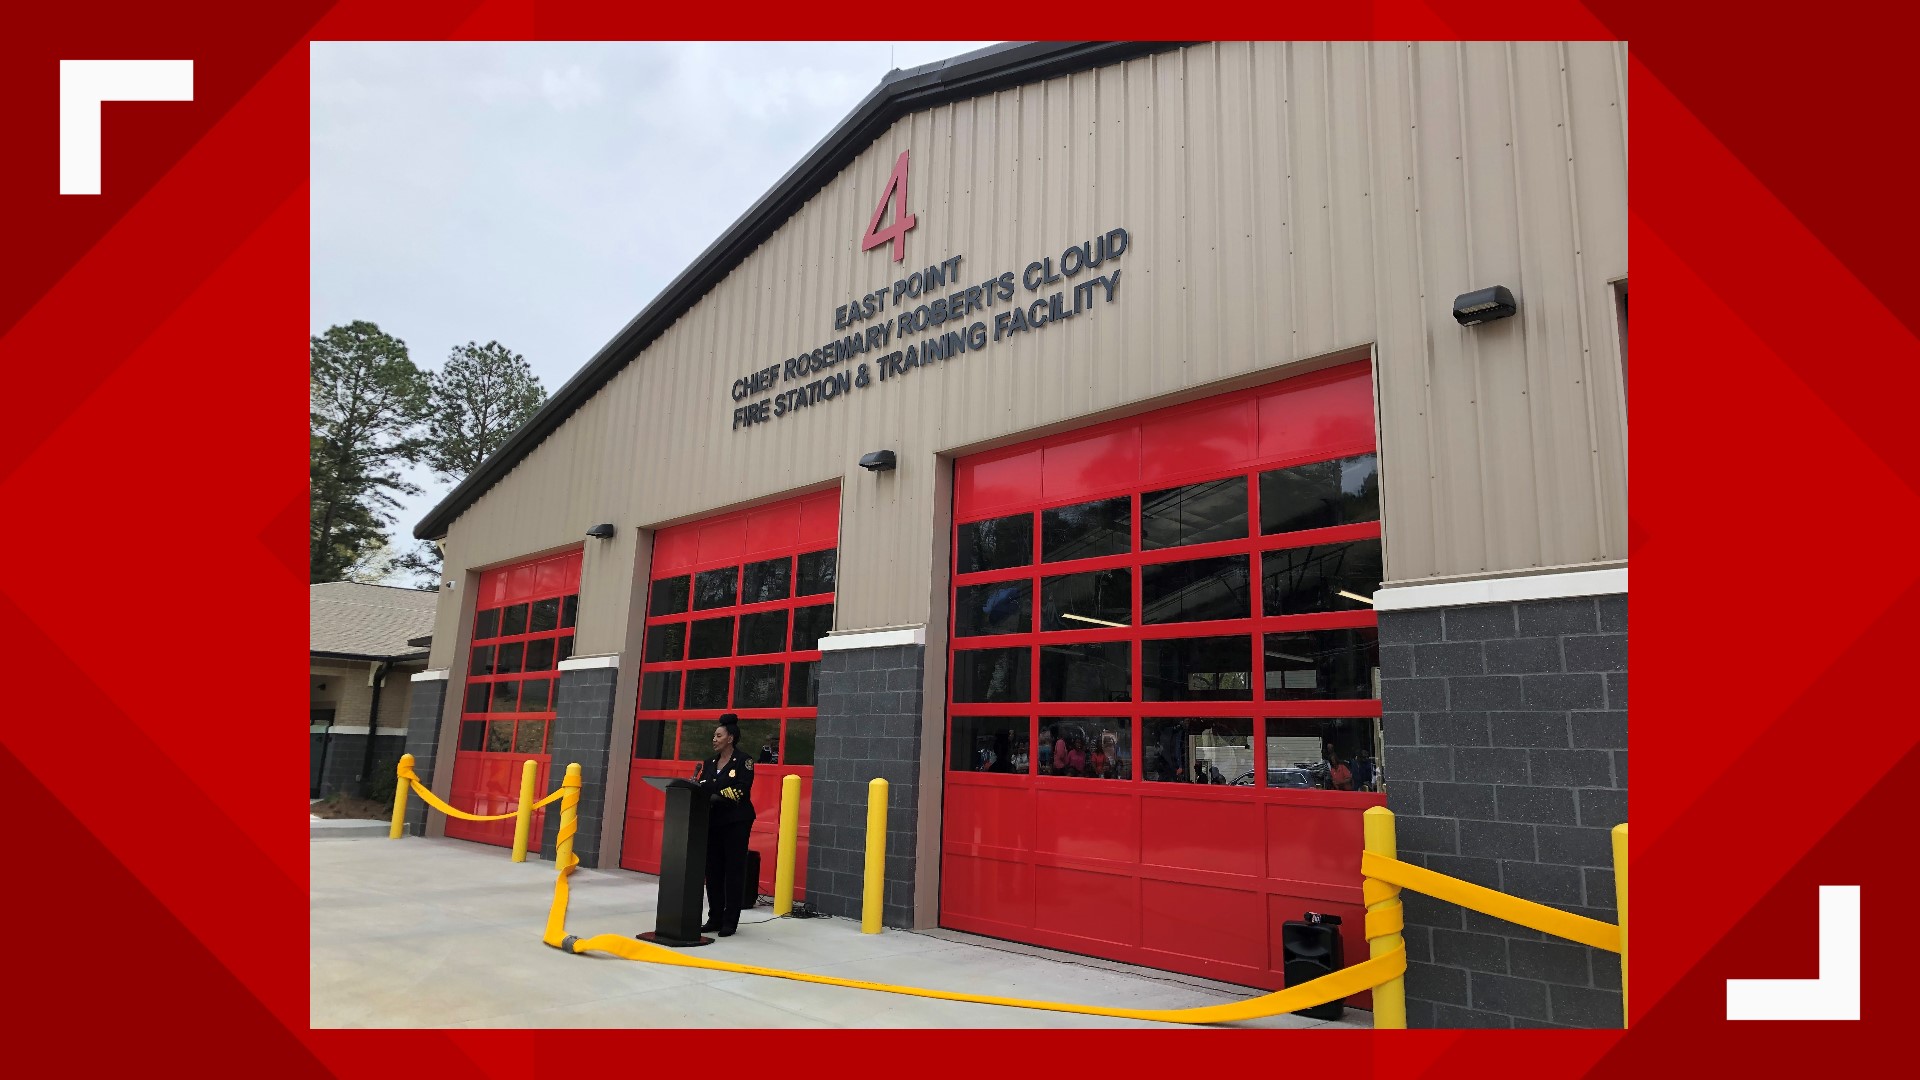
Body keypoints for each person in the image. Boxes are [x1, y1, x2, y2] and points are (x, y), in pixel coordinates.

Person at [692, 713, 756, 937]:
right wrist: (710, 790)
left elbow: (740, 791)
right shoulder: (709, 762)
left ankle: (730, 921)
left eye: (719, 735)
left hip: (736, 822)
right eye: (714, 735)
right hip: (713, 821)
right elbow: (700, 787)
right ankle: (715, 917)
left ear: (730, 738)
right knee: (713, 871)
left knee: (733, 871)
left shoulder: (744, 761)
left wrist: (713, 790)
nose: (714, 739)